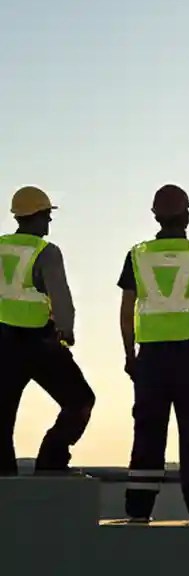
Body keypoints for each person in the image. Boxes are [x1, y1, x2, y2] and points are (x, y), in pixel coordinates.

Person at [118, 185, 189, 524]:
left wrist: (129, 354)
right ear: (187, 215)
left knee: (148, 431)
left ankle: (139, 510)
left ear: (155, 216)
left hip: (150, 356)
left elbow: (126, 309)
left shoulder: (138, 254)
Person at [0, 186, 94, 476]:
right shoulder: (46, 252)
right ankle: (52, 461)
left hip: (2, 343)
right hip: (39, 341)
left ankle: (4, 480)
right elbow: (60, 296)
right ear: (37, 216)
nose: (49, 222)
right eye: (47, 215)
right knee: (80, 400)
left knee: (2, 418)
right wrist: (66, 330)